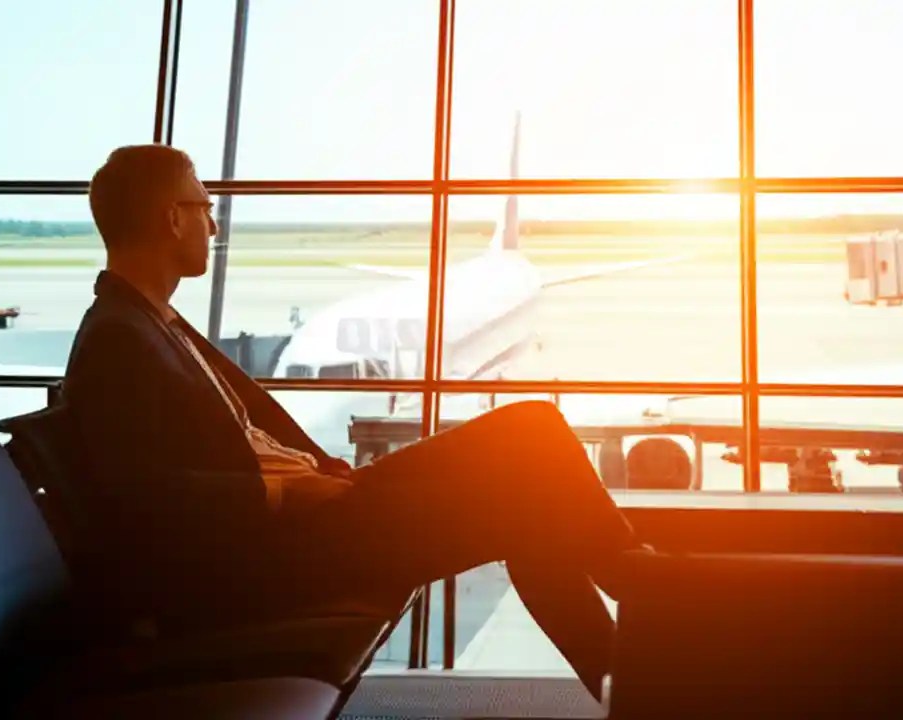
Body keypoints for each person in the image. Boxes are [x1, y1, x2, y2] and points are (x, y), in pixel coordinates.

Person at [59, 144, 647, 702]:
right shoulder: (119, 337)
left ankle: (631, 596)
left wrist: (313, 477)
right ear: (172, 218)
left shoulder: (145, 319)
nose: (213, 226)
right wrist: (290, 489)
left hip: (323, 499)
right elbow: (139, 495)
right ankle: (638, 625)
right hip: (285, 547)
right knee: (525, 509)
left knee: (532, 426)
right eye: (204, 207)